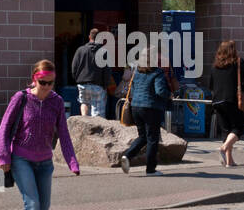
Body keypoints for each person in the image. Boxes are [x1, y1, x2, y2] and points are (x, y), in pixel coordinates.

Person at [0, 60, 80, 210]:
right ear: (35, 79)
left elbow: (64, 134)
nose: (47, 87)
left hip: (44, 160)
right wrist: (5, 157)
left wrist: (72, 161)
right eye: (43, 82)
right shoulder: (21, 98)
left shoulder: (57, 102)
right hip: (21, 159)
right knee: (32, 206)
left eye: (51, 83)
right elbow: (4, 128)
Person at [119, 47, 172, 176]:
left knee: (143, 136)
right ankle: (150, 169)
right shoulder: (157, 72)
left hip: (136, 107)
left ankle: (127, 155)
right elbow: (160, 91)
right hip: (151, 108)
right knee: (152, 139)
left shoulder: (137, 71)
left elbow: (134, 89)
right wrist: (168, 94)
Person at [205, 40, 244, 167]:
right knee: (238, 129)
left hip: (217, 101)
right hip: (232, 100)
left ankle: (229, 161)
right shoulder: (238, 62)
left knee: (226, 131)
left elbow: (211, 86)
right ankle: (223, 147)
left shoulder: (215, 65)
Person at [70, 27, 108, 117]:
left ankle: (84, 124)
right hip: (98, 85)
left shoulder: (80, 50)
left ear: (89, 37)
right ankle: (96, 130)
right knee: (97, 111)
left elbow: (74, 67)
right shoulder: (103, 52)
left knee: (84, 103)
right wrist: (105, 85)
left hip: (83, 84)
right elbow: (106, 71)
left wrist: (77, 79)